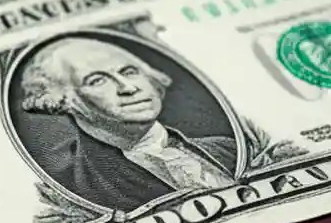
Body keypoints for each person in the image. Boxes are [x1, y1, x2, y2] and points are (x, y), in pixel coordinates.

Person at [20, 37, 237, 212]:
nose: (128, 88)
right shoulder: (73, 187)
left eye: (129, 72)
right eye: (97, 80)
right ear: (62, 101)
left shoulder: (227, 149)